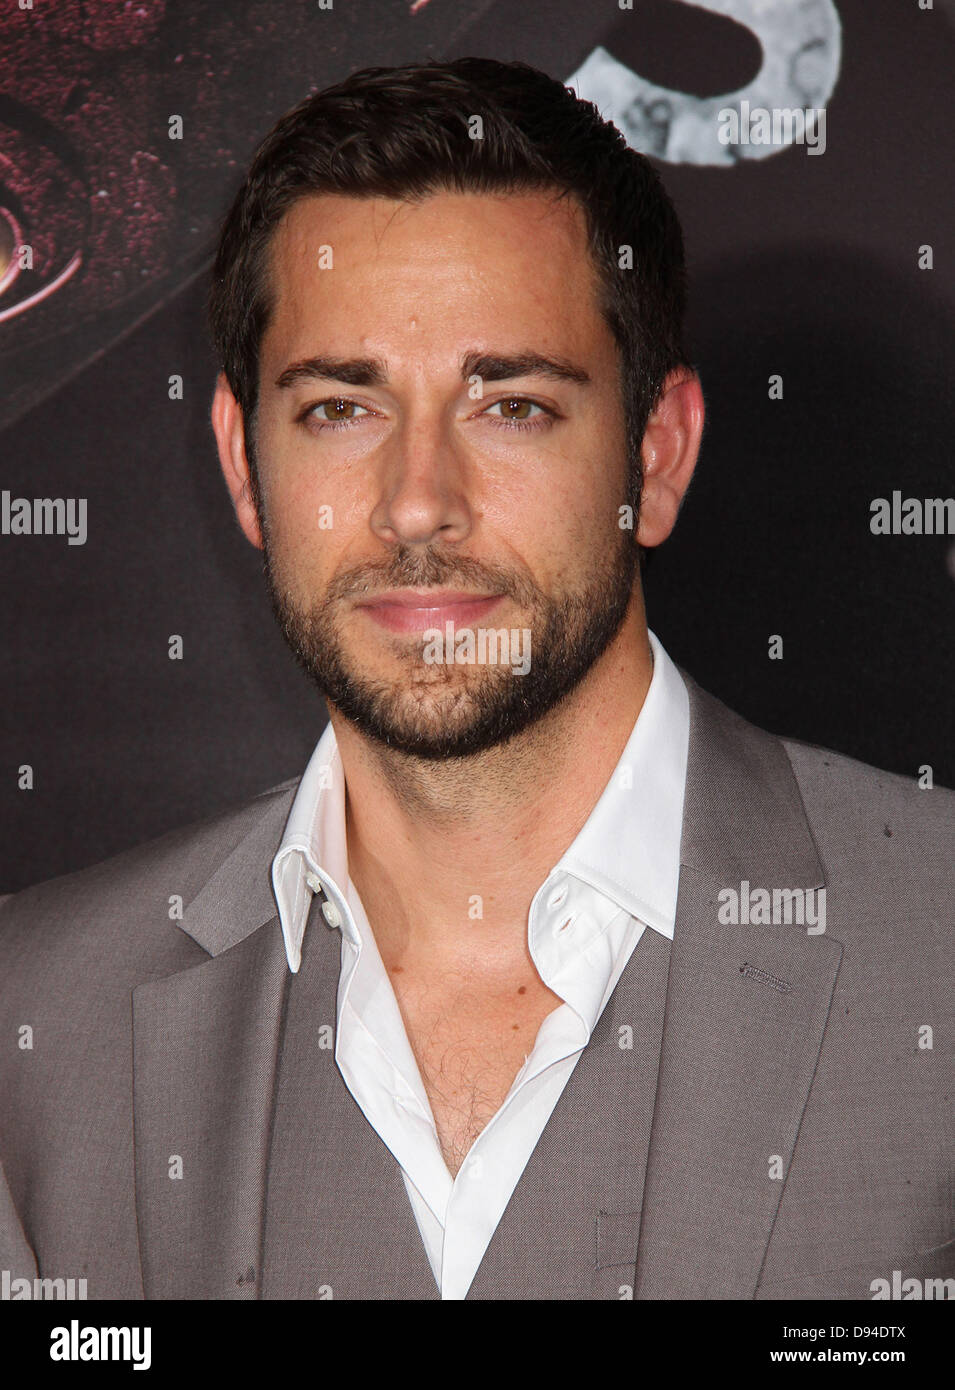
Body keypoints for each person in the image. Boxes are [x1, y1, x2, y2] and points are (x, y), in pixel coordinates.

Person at [0, 58, 951, 1303]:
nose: (417, 506)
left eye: (509, 405)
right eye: (342, 408)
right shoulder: (35, 1025)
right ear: (242, 462)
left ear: (654, 456)